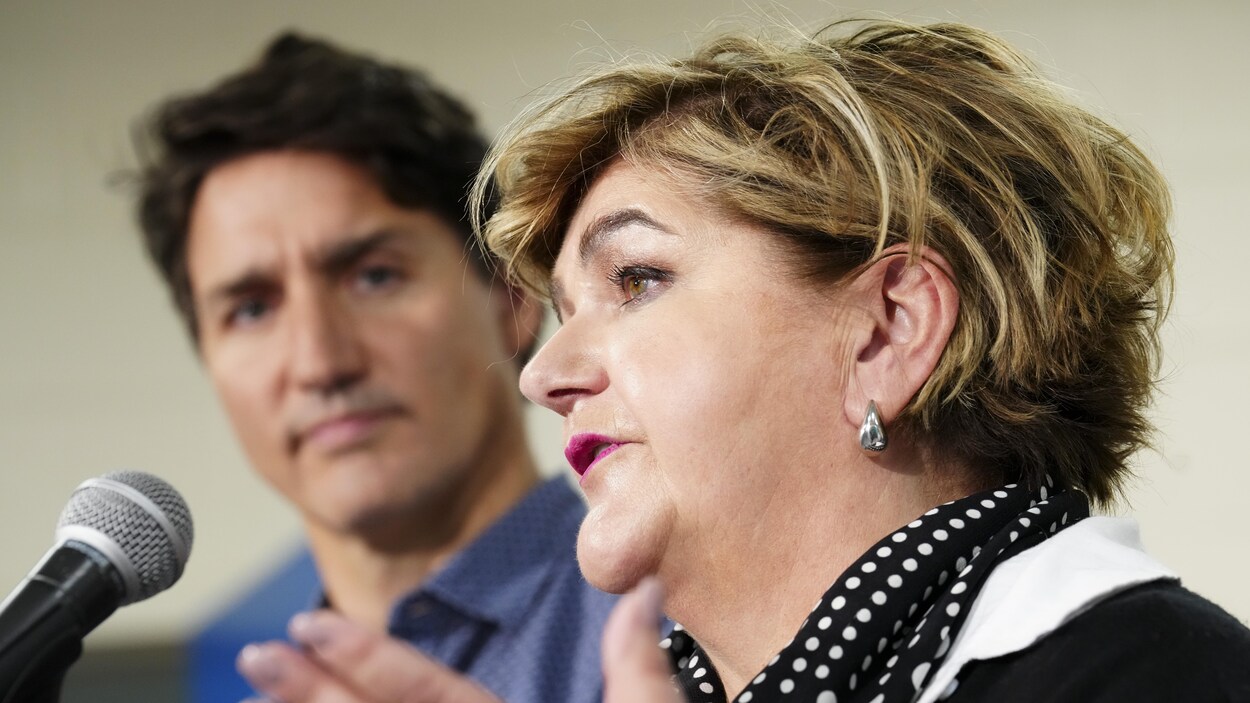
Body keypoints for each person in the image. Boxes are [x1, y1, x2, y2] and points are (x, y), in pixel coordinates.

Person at [236, 20, 1250, 703]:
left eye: (634, 279)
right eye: (557, 311)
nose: (544, 374)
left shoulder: (1153, 675)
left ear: (889, 331)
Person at [134, 32, 615, 703]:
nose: (319, 361)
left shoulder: (680, 632)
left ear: (511, 299)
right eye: (249, 309)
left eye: (375, 276)